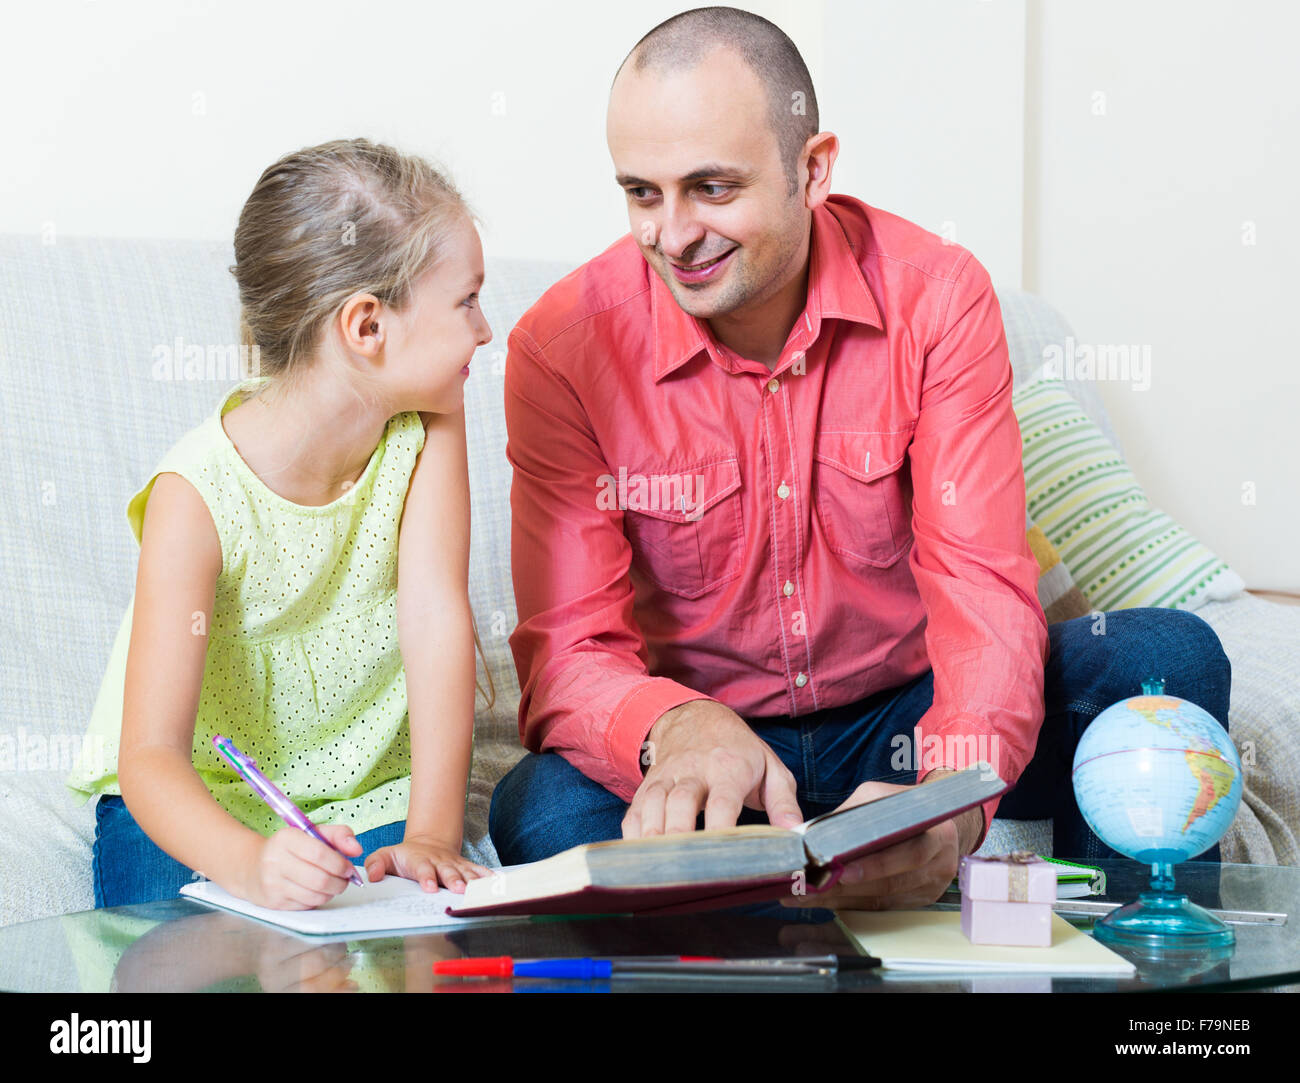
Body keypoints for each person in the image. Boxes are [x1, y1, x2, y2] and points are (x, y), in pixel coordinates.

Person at [489, 7, 1233, 908]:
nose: (672, 235)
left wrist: (952, 802)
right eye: (642, 193)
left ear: (813, 169)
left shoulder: (938, 298)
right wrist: (679, 725)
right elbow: (570, 649)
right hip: (714, 749)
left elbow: (981, 586)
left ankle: (1113, 971)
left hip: (905, 718)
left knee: (1167, 660)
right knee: (538, 807)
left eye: (712, 188)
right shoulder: (562, 349)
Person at [67, 138, 496, 910]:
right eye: (467, 300)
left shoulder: (433, 420)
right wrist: (251, 864)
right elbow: (150, 758)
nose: (486, 328)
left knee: (413, 944)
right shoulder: (193, 495)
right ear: (367, 326)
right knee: (189, 952)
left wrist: (432, 830)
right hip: (202, 807)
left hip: (370, 795)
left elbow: (436, 615)